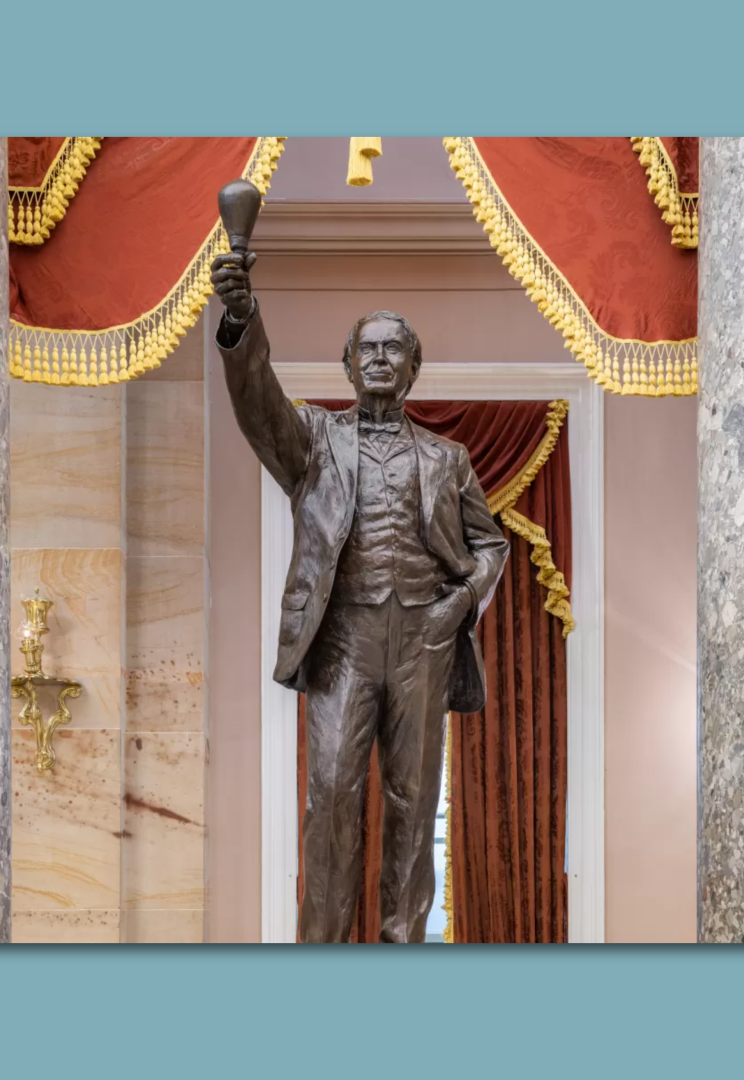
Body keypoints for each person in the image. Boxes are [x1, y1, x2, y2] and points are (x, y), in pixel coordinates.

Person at [210, 248, 509, 943]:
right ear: (348, 365)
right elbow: (257, 404)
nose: (379, 359)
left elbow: (490, 545)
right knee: (333, 799)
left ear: (413, 367)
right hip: (343, 640)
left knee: (413, 804)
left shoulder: (447, 459)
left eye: (393, 350)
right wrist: (241, 315)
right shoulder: (313, 442)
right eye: (367, 349)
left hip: (422, 646)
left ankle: (401, 949)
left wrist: (456, 607)